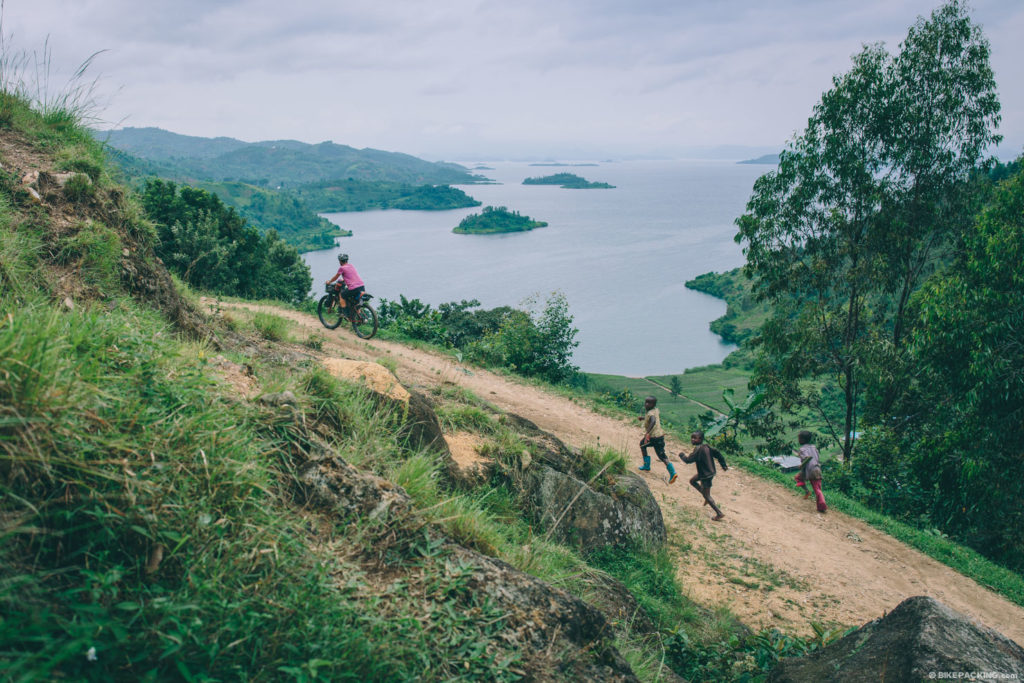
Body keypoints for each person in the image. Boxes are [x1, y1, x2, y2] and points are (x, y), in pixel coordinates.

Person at [678, 431, 728, 520]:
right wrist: (723, 465)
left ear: (700, 439)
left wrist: (682, 455)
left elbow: (688, 460)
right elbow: (718, 453)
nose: (692, 439)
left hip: (705, 475)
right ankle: (706, 496)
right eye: (692, 437)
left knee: (707, 495)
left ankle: (719, 513)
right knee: (692, 481)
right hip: (709, 472)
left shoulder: (698, 450)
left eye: (694, 438)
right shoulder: (707, 446)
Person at [637, 396, 678, 483]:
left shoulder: (651, 414)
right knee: (662, 455)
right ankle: (672, 472)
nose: (646, 404)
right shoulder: (655, 410)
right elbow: (651, 418)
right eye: (646, 402)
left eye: (649, 403)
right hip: (660, 436)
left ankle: (647, 465)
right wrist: (643, 419)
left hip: (653, 437)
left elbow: (653, 421)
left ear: (653, 404)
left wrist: (647, 433)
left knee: (642, 445)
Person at [794, 430, 827, 513]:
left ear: (803, 440)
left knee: (817, 489)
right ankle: (807, 492)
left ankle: (822, 505)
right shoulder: (814, 447)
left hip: (809, 470)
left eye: (799, 438)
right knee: (799, 478)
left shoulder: (802, 450)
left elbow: (806, 459)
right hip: (817, 469)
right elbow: (816, 457)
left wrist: (801, 465)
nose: (798, 440)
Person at [325, 253, 365, 321]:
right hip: (361, 286)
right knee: (355, 302)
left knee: (342, 295)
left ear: (340, 261)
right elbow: (351, 275)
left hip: (354, 288)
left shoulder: (341, 268)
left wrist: (329, 282)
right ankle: (359, 316)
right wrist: (344, 279)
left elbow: (336, 277)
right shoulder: (351, 266)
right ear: (347, 260)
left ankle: (346, 314)